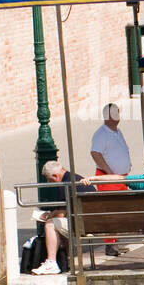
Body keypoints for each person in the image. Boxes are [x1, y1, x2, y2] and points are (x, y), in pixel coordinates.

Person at [31, 160, 97, 275]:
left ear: (55, 176)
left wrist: (47, 216)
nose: (48, 181)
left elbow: (61, 214)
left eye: (48, 178)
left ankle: (51, 262)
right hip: (95, 223)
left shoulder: (65, 185)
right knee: (62, 223)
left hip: (84, 227)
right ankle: (67, 259)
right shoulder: (77, 178)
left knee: (51, 224)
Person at [90, 102, 131, 255]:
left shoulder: (117, 131)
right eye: (113, 113)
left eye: (117, 113)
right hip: (109, 178)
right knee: (110, 210)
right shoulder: (101, 133)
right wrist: (108, 172)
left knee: (119, 210)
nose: (116, 116)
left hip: (120, 178)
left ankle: (116, 242)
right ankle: (110, 245)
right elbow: (95, 153)